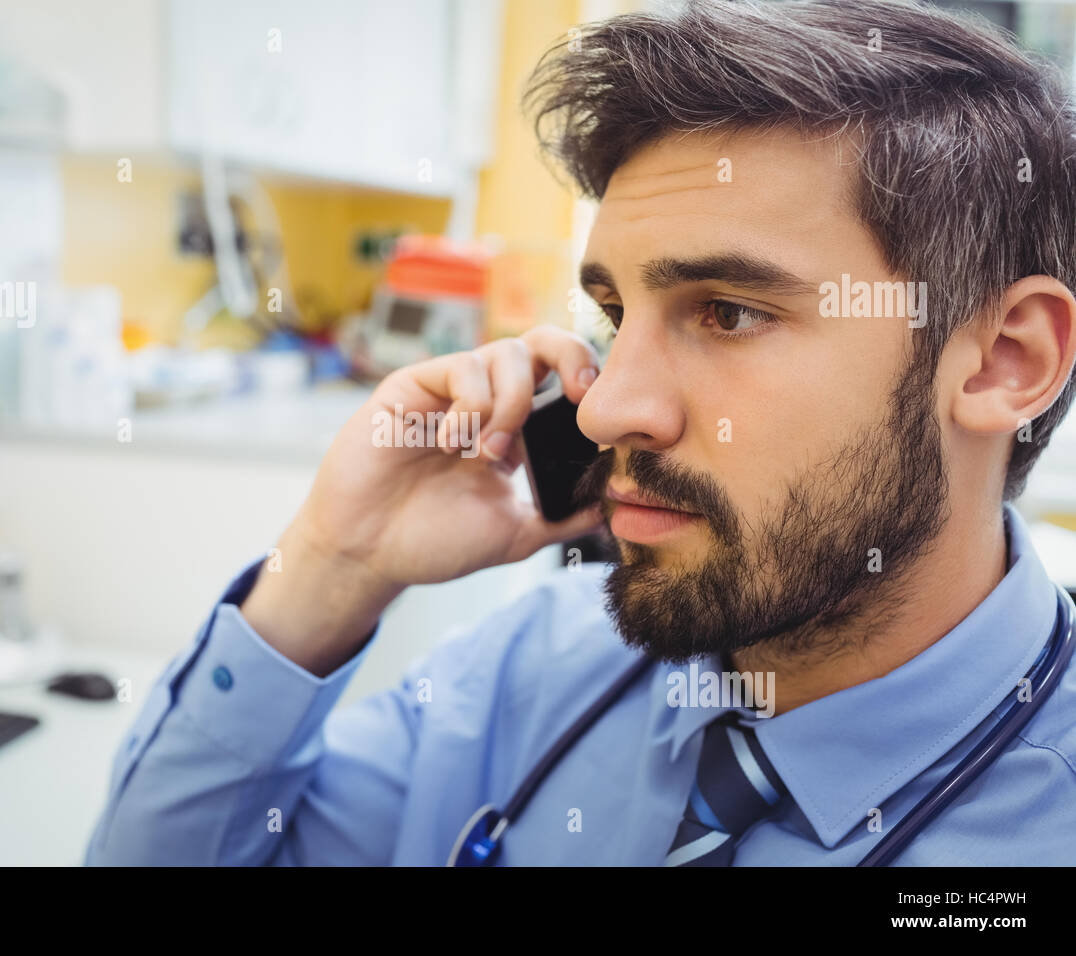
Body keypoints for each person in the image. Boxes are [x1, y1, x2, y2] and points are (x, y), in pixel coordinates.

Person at [86, 0, 1076, 865]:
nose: (604, 408)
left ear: (1004, 362)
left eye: (726, 311)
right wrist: (331, 564)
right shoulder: (545, 659)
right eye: (613, 313)